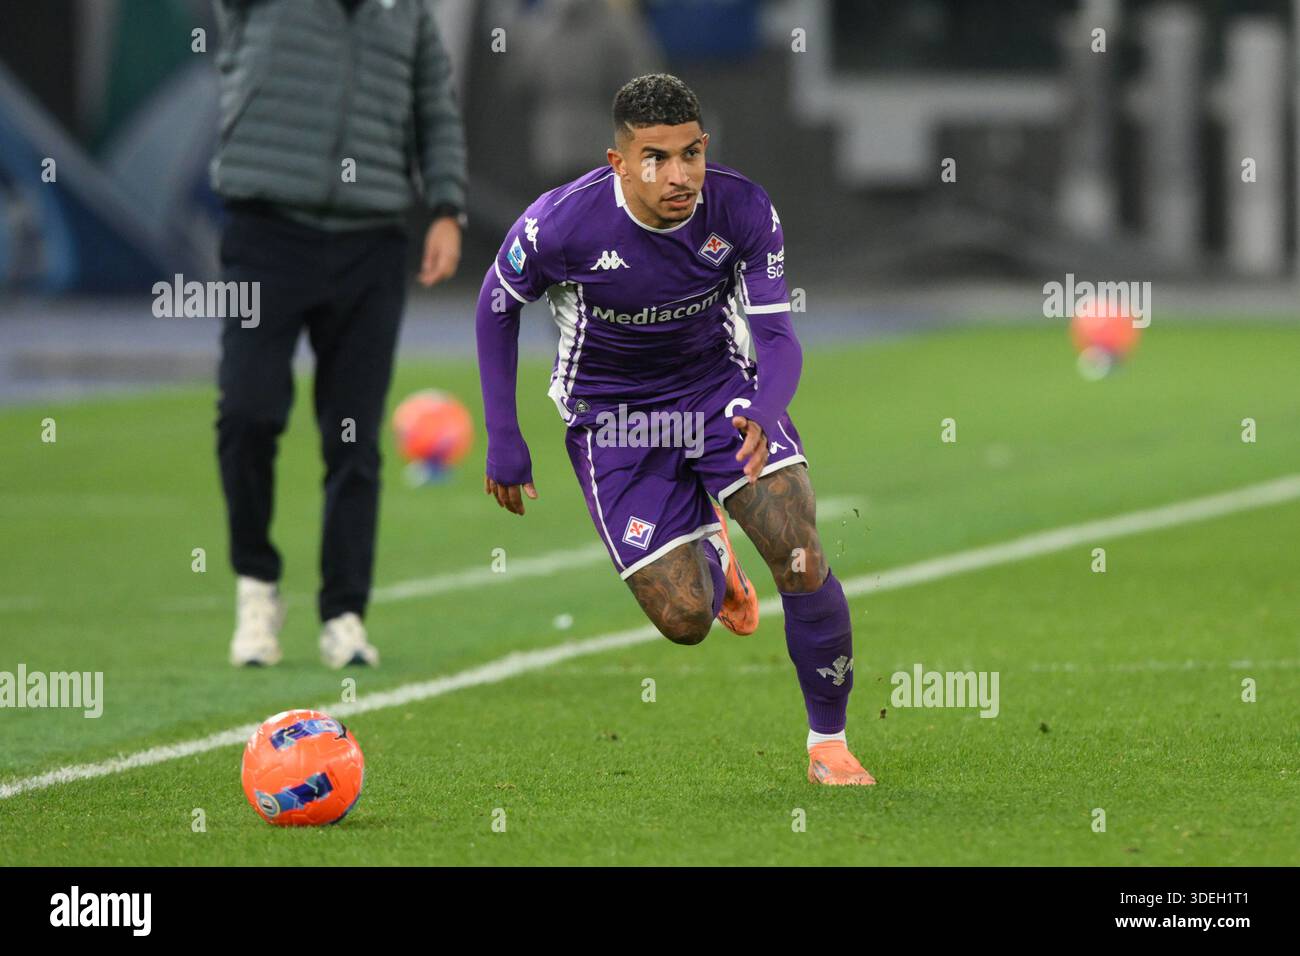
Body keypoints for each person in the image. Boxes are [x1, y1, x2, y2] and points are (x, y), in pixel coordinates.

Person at [474, 74, 874, 785]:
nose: (679, 174)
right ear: (618, 162)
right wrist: (504, 436)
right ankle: (715, 562)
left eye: (690, 153)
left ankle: (829, 743)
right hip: (614, 421)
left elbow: (778, 338)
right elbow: (495, 307)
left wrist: (766, 407)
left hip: (720, 394)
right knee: (685, 617)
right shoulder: (558, 225)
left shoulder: (743, 207)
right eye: (656, 157)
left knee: (798, 549)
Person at [212, 0, 467, 668]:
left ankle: (344, 612)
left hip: (370, 244)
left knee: (352, 437)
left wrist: (446, 206)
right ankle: (257, 584)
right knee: (247, 411)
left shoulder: (406, 13)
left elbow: (435, 111)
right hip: (266, 230)